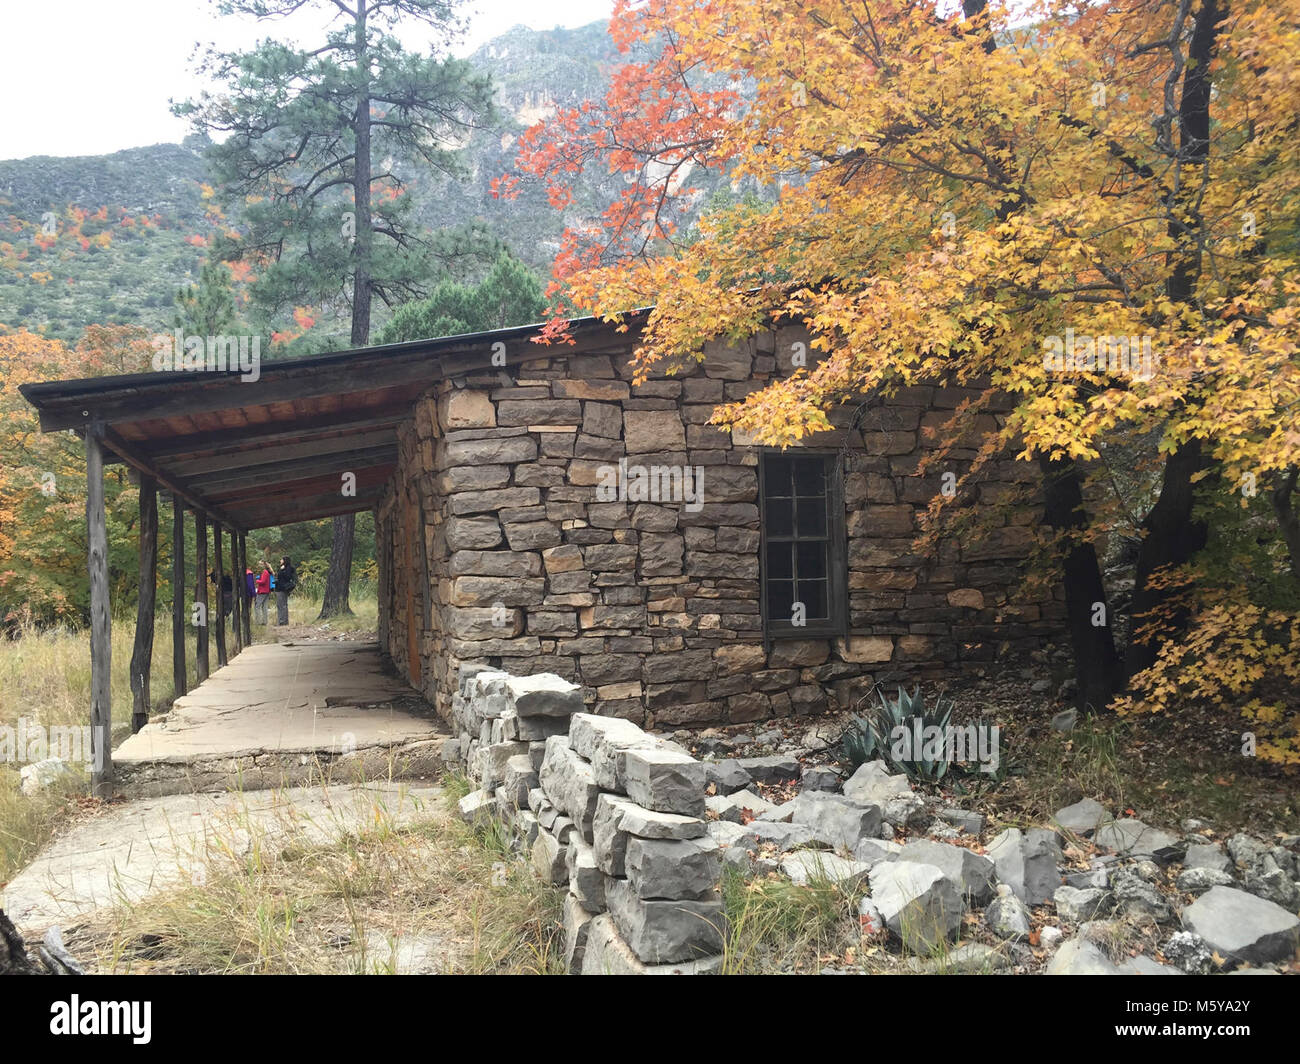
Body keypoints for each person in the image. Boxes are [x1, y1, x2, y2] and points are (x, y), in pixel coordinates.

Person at [275, 556, 297, 626]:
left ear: (285, 560)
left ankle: (283, 621)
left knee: (282, 605)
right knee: (281, 605)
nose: (280, 560)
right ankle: (282, 621)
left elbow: (287, 577)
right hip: (280, 588)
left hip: (282, 589)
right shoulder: (284, 568)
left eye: (281, 559)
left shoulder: (288, 568)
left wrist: (282, 571)